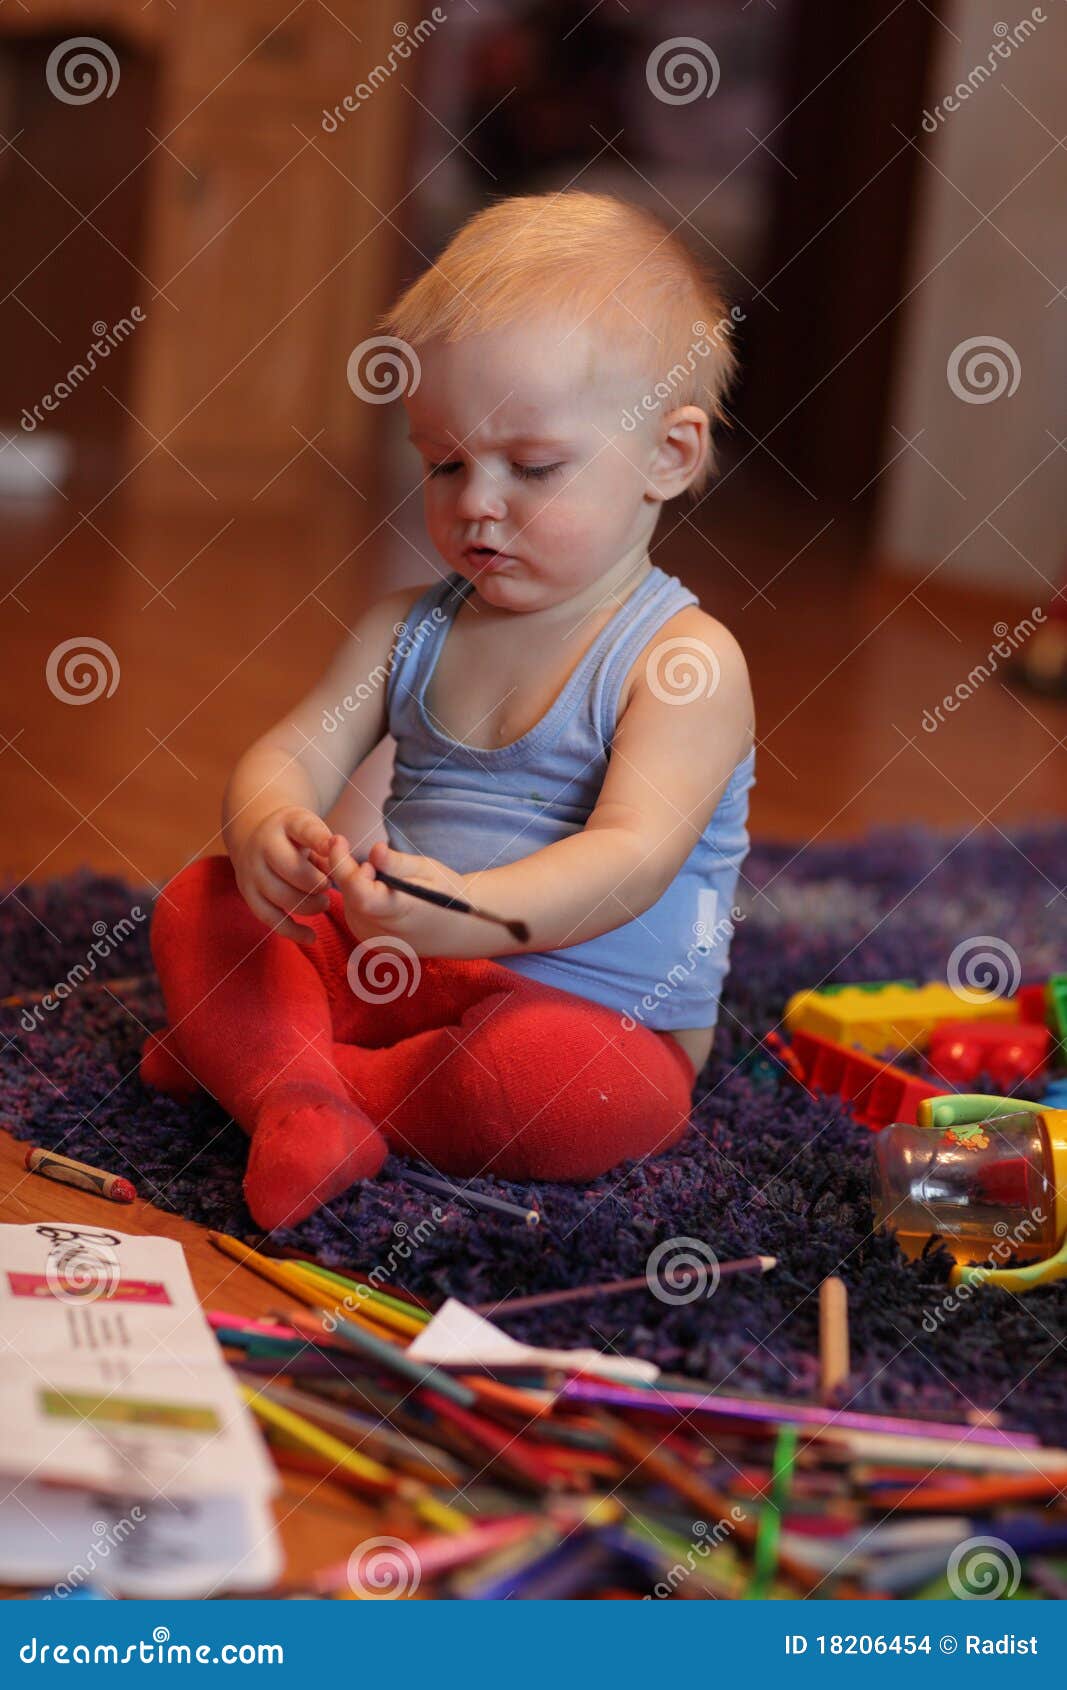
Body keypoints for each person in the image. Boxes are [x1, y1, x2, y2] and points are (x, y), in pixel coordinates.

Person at [141, 191, 757, 1230]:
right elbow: (296, 745)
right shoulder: (405, 626)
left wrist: (463, 909)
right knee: (199, 906)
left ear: (668, 456)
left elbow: (628, 859)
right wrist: (268, 827)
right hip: (395, 961)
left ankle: (287, 1082)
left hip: (585, 1013)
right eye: (443, 462)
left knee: (565, 1088)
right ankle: (285, 1077)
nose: (476, 500)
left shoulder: (684, 661)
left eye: (532, 467)